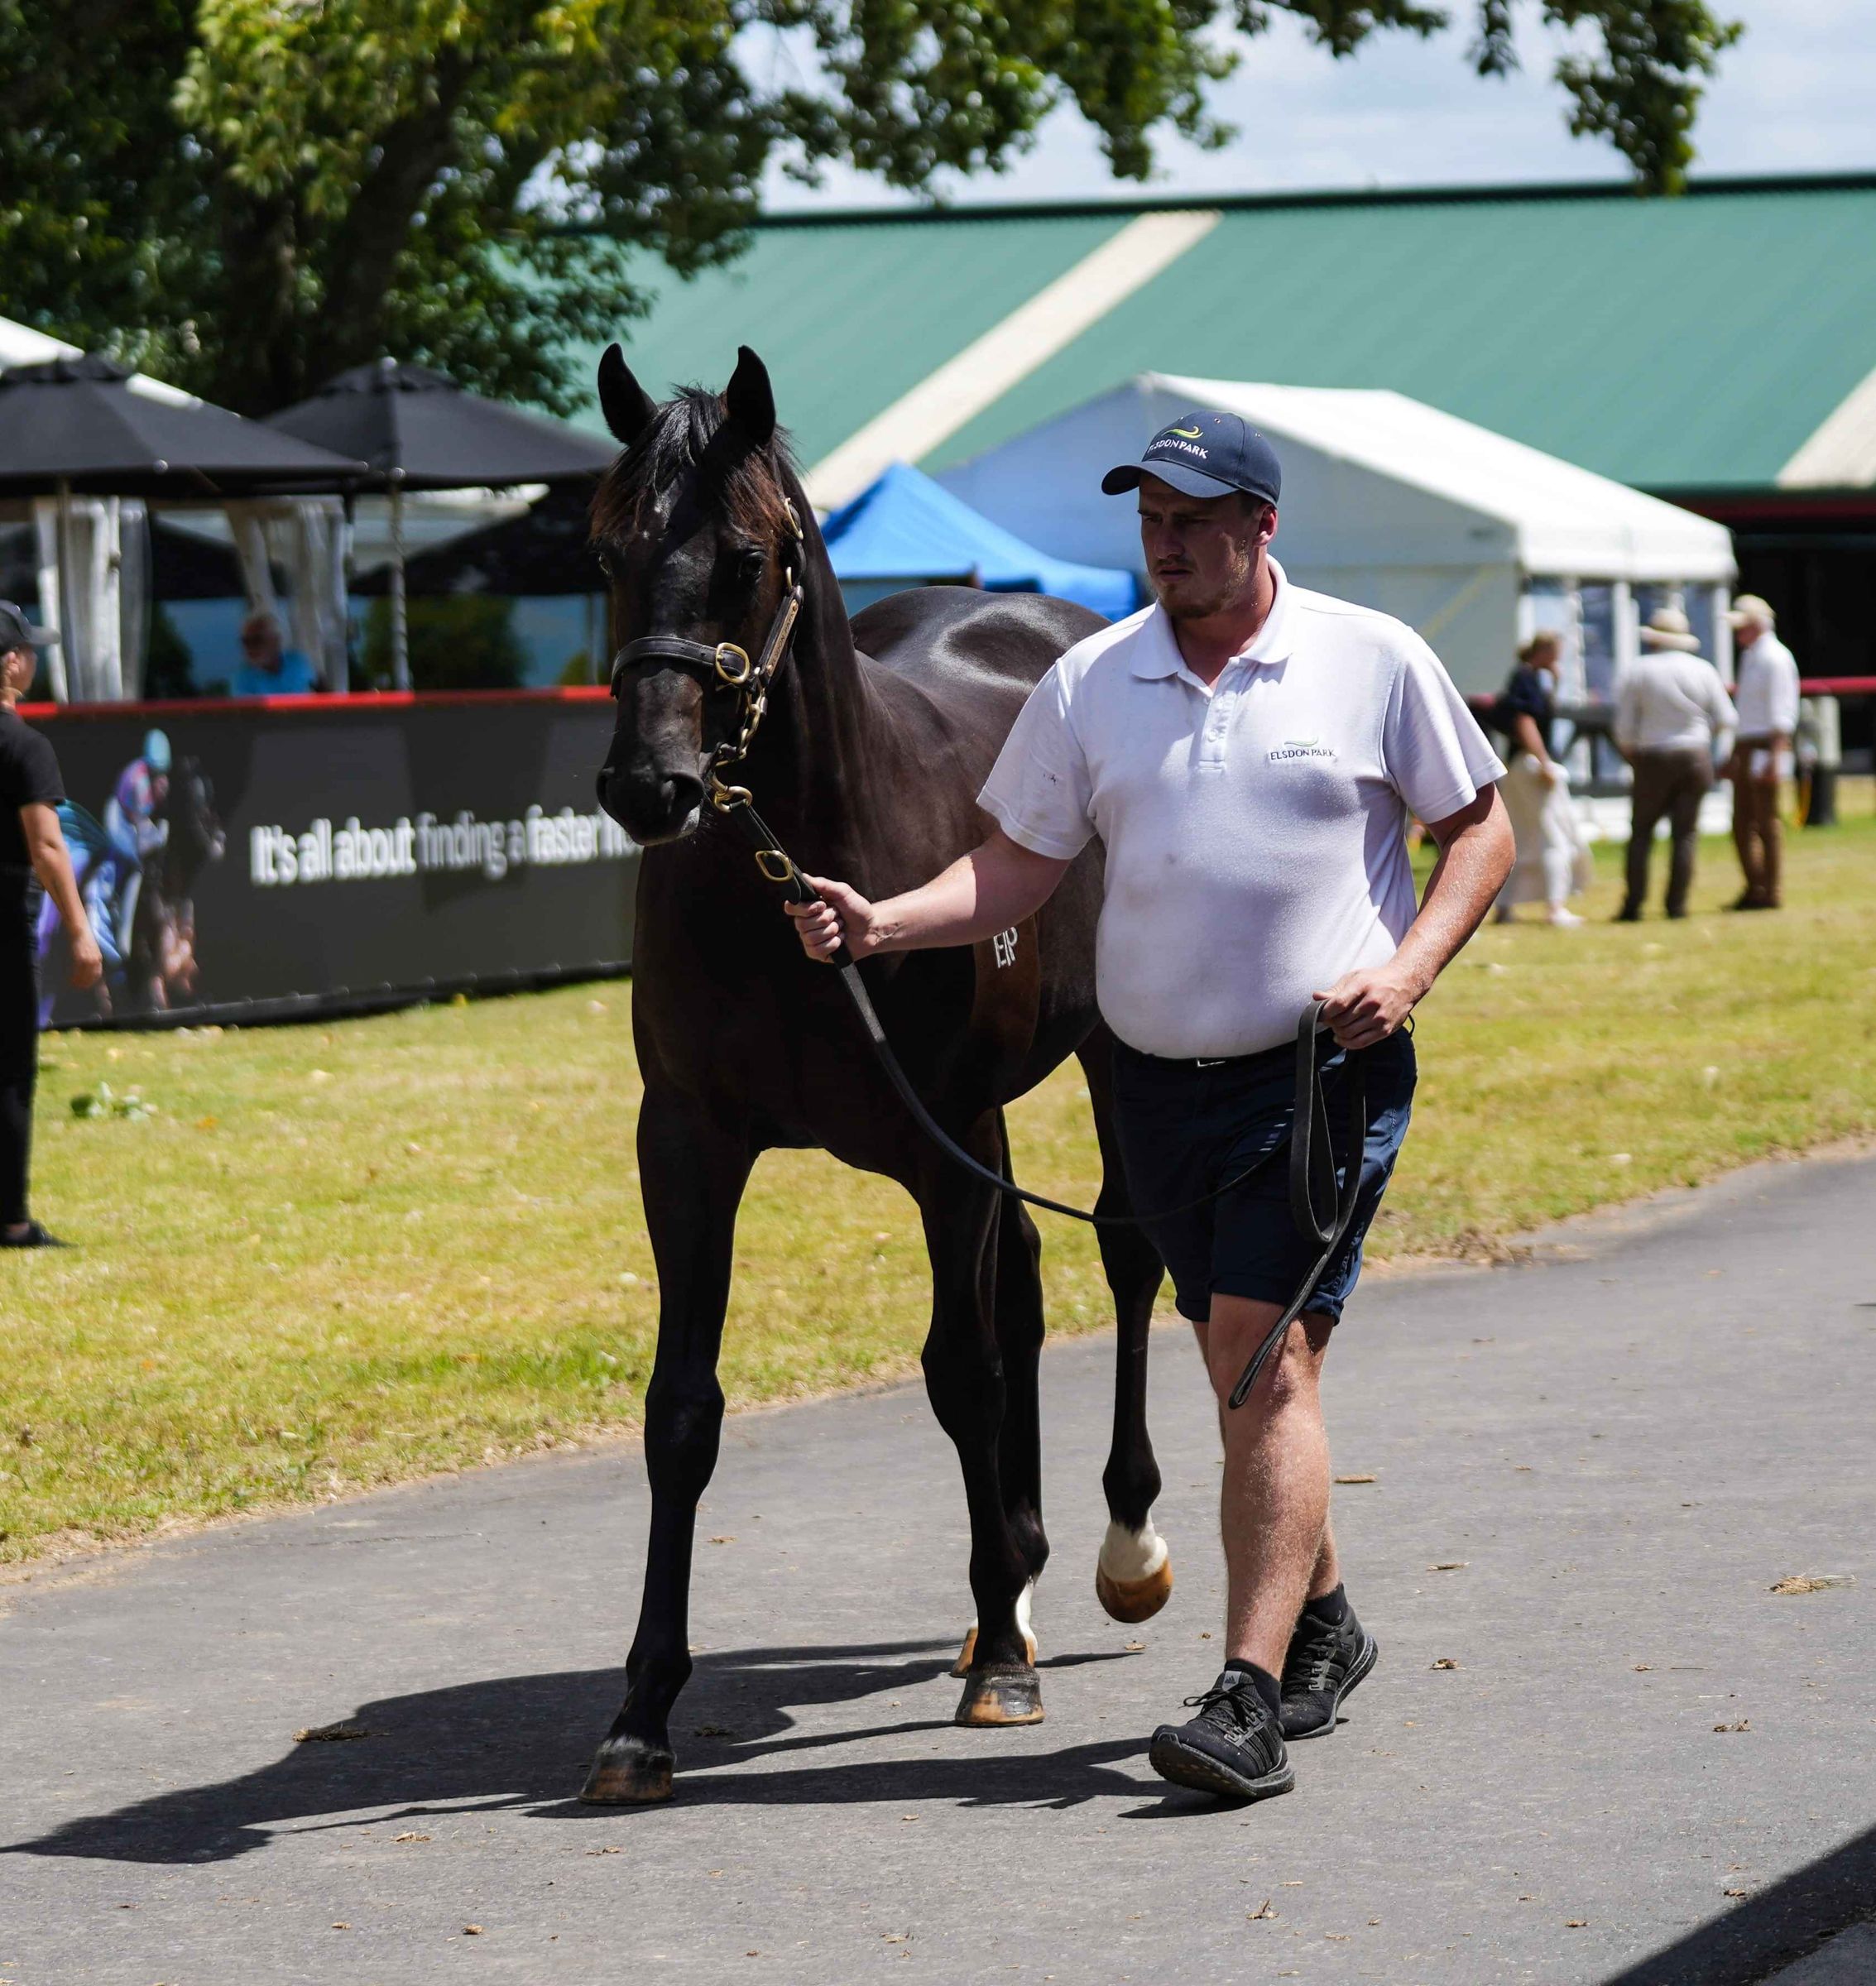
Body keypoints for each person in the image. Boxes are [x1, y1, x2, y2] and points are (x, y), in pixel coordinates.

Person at [784, 408, 1513, 1803]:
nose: (1165, 545)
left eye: (1191, 520)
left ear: (1261, 524)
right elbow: (1012, 870)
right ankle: (1328, 1624)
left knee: (1263, 1357)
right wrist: (881, 922)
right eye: (1149, 522)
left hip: (1318, 1075)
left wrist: (1408, 969)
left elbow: (1479, 825)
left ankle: (1241, 1698)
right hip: (1153, 1099)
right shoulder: (1090, 681)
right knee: (1238, 1364)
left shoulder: (1370, 658)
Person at [0, 603, 103, 1247]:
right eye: (28, 648)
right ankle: (10, 1221)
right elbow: (47, 847)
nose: (34, 657)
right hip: (5, 920)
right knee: (10, 1067)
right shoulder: (24, 745)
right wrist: (82, 929)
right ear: (9, 662)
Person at [1612, 606, 1734, 922]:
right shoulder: (1703, 669)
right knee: (1686, 834)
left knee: (1641, 833)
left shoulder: (1639, 670)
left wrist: (1631, 754)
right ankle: (1676, 905)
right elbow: (1726, 718)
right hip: (1695, 754)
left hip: (1652, 754)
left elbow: (1624, 725)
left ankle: (1634, 904)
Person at [1491, 632, 1589, 928]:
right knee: (1553, 833)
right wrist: (1545, 761)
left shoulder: (1529, 678)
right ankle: (1555, 906)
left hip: (1519, 763)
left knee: (1519, 834)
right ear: (1544, 650)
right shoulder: (1526, 679)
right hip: (1531, 762)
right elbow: (1525, 720)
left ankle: (1504, 906)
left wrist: (1555, 682)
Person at [1725, 593, 1799, 911]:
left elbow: (1782, 710)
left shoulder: (1774, 657)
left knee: (1766, 821)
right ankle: (1755, 885)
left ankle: (1770, 889)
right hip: (1748, 744)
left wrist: (1776, 755)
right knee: (1742, 821)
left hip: (1765, 745)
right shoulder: (1753, 656)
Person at [94, 729, 171, 973]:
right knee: (136, 865)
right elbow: (139, 824)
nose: (160, 776)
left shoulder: (157, 779)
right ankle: (122, 939)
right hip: (119, 821)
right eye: (156, 771)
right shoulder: (138, 781)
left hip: (134, 821)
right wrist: (155, 838)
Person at [230, 612, 319, 698]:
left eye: (257, 640)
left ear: (276, 641)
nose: (251, 647)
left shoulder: (298, 662)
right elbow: (250, 712)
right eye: (246, 642)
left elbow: (319, 693)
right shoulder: (242, 679)